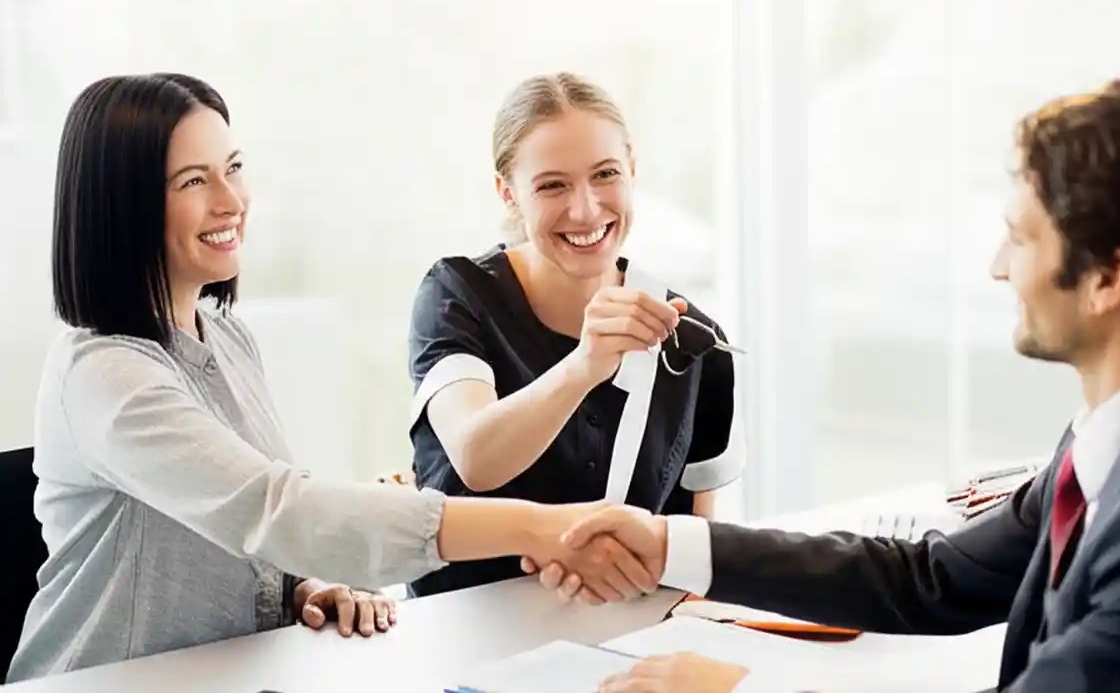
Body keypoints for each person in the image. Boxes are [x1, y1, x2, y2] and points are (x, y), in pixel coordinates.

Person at [555, 81, 1120, 692]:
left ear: (1107, 280)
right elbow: (931, 577)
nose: (999, 268)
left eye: (1020, 238)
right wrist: (669, 543)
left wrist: (744, 688)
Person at [7, 73, 655, 683]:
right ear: (125, 207)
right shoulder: (105, 375)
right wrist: (542, 527)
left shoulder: (224, 335)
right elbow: (279, 509)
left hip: (225, 669)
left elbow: (226, 518)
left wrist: (293, 589)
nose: (232, 201)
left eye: (233, 169)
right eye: (194, 181)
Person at [405, 72, 742, 599]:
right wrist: (585, 365)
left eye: (605, 174)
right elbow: (476, 458)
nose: (585, 210)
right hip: (463, 637)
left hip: (626, 644)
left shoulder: (692, 339)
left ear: (632, 168)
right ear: (507, 192)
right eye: (552, 184)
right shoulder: (456, 297)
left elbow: (697, 556)